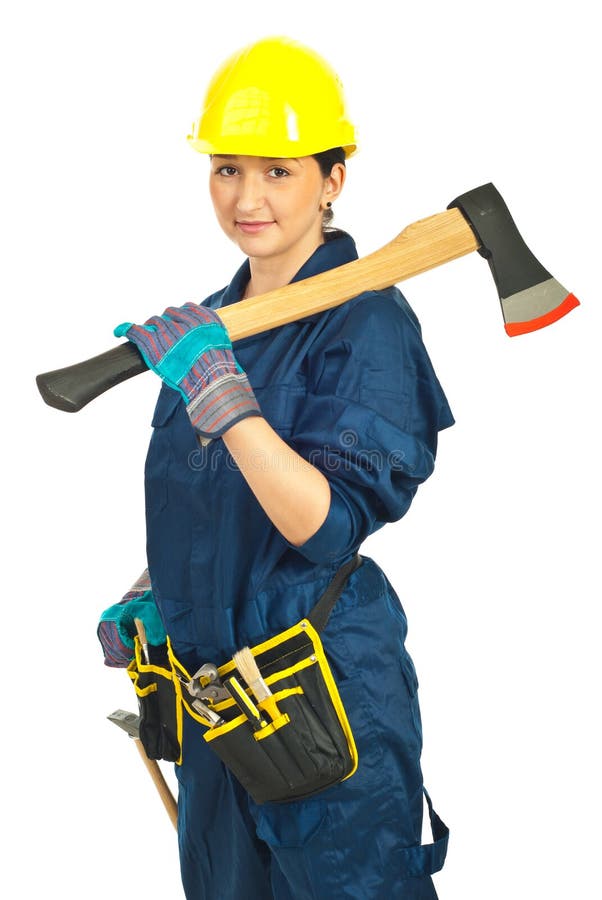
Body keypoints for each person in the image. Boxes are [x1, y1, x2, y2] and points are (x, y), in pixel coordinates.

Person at [99, 36, 453, 900]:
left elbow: (325, 525)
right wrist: (154, 594)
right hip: (216, 695)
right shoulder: (211, 324)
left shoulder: (365, 324)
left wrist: (229, 402)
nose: (246, 198)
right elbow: (208, 500)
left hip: (322, 687)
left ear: (334, 179)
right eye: (226, 169)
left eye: (279, 171)